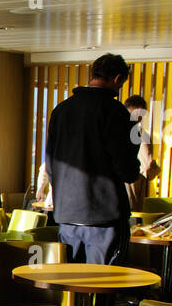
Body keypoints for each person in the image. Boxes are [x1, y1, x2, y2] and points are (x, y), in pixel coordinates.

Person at [44, 53, 140, 267]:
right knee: (103, 283)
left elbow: (51, 165)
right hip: (104, 217)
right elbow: (126, 170)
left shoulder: (61, 110)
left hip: (67, 214)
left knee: (70, 281)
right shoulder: (118, 114)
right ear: (117, 79)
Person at [123, 94, 161, 213]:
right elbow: (147, 167)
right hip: (133, 188)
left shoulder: (113, 130)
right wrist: (157, 169)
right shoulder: (140, 134)